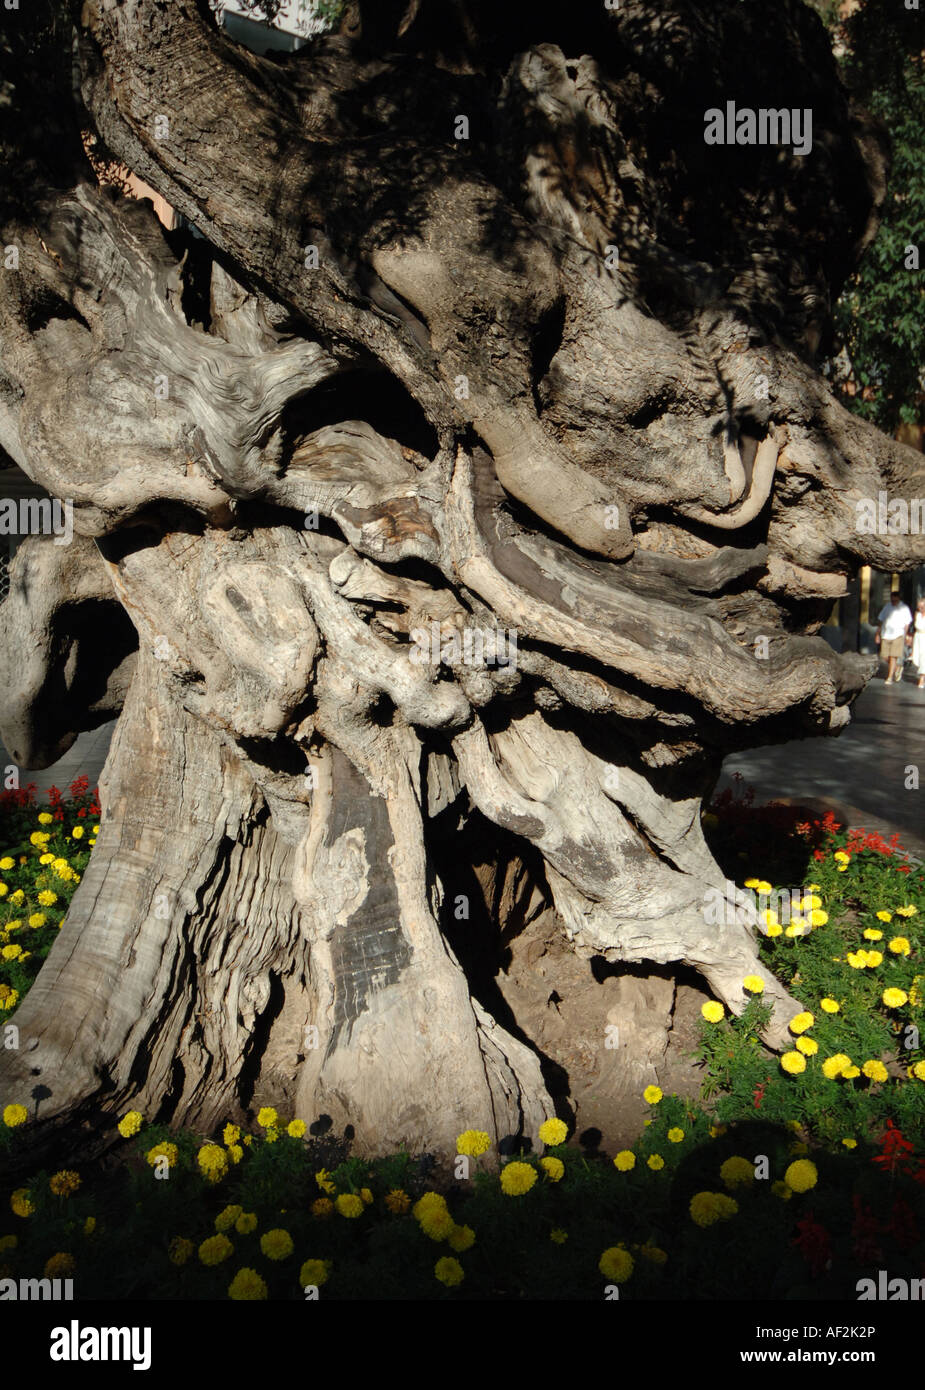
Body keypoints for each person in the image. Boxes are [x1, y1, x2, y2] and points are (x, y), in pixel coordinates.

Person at [875, 590, 913, 684]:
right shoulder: (887, 606)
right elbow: (881, 619)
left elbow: (907, 623)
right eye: (892, 600)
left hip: (898, 635)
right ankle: (897, 668)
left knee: (893, 656)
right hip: (886, 634)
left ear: (899, 599)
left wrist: (906, 635)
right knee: (884, 656)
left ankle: (890, 677)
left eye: (895, 601)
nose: (893, 602)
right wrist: (877, 634)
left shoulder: (904, 608)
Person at [912, 596, 925, 690]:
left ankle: (922, 679)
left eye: (922, 607)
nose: (920, 609)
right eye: (919, 607)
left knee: (923, 658)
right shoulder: (917, 614)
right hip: (918, 637)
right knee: (916, 658)